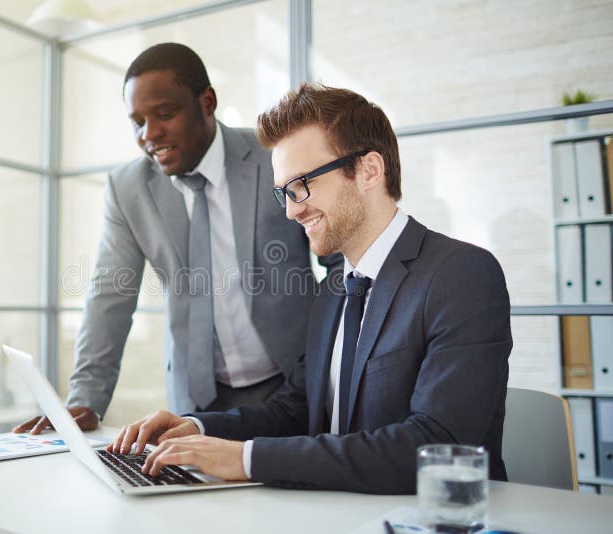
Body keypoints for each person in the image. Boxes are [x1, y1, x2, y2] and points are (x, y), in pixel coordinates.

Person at [108, 83, 513, 494]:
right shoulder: (334, 289)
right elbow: (298, 408)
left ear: (369, 170)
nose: (291, 209)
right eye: (283, 191)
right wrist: (195, 427)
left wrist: (247, 459)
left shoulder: (461, 276)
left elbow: (436, 446)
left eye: (302, 185)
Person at [15, 44, 339, 435]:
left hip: (291, 383)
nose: (149, 134)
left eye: (164, 114)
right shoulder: (127, 188)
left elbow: (337, 259)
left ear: (207, 102)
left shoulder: (272, 155)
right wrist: (85, 399)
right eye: (137, 121)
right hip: (197, 396)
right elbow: (110, 296)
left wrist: (333, 352)